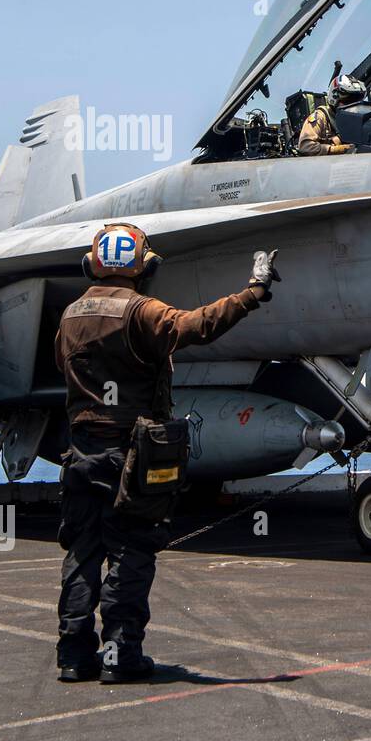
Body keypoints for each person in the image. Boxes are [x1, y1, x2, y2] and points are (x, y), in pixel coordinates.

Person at [53, 222, 280, 683]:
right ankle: (120, 653)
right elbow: (198, 326)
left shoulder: (71, 315)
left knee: (82, 553)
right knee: (131, 551)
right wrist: (253, 292)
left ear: (92, 263)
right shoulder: (141, 312)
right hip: (130, 454)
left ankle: (74, 655)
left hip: (81, 452)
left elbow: (64, 367)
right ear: (143, 267)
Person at [297, 72, 362, 156]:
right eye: (347, 101)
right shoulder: (320, 117)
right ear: (334, 98)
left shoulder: (355, 120)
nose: (351, 106)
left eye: (354, 102)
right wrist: (335, 149)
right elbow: (305, 147)